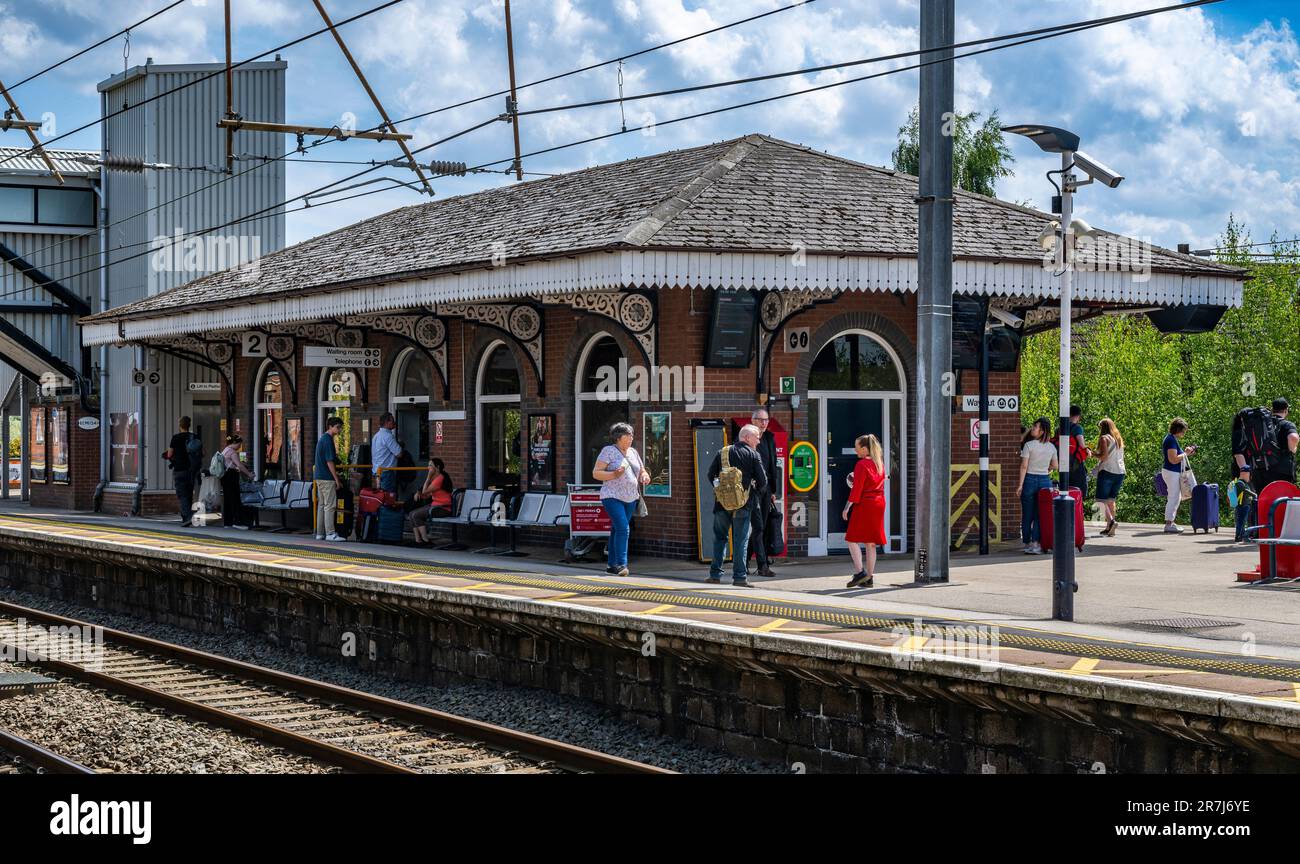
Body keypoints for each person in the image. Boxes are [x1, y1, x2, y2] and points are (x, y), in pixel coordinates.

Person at [705, 424, 767, 587]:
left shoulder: (723, 452)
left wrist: (721, 491)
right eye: (756, 437)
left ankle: (715, 575)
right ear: (746, 437)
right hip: (743, 504)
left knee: (720, 537)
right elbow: (763, 482)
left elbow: (710, 475)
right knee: (740, 540)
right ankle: (739, 578)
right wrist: (753, 490)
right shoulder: (753, 454)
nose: (759, 441)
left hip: (722, 504)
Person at [593, 423, 649, 577]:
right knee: (623, 528)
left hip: (631, 497)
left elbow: (642, 469)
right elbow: (596, 473)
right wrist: (614, 475)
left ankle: (611, 565)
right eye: (628, 435)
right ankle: (621, 564)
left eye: (632, 435)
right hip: (612, 496)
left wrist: (644, 475)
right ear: (618, 437)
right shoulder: (608, 451)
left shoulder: (633, 452)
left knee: (616, 529)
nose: (631, 438)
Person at [843, 434, 887, 588]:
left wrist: (847, 507)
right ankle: (869, 577)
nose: (856, 451)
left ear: (864, 448)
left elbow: (857, 490)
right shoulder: (879, 463)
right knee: (871, 543)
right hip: (879, 503)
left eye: (857, 448)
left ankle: (860, 572)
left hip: (866, 504)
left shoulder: (861, 465)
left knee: (851, 539)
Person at [1017, 418, 1058, 555]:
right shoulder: (1051, 447)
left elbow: (1024, 466)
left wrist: (1020, 485)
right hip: (1045, 482)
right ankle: (1036, 543)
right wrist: (1048, 469)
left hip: (1029, 479)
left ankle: (1027, 543)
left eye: (1035, 427)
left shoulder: (1029, 445)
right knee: (1040, 515)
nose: (1032, 429)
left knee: (1027, 514)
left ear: (1042, 431)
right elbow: (1056, 466)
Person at [746, 408, 778, 579]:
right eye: (760, 420)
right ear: (753, 421)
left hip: (766, 490)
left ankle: (744, 561)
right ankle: (762, 565)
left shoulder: (770, 438)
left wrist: (773, 490)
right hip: (752, 489)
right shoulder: (746, 438)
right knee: (758, 527)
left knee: (761, 527)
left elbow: (773, 466)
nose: (764, 423)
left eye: (766, 420)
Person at [1245, 398, 1299, 492]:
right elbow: (1293, 437)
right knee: (1281, 503)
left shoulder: (1262, 425)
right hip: (1281, 472)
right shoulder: (1286, 424)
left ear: (1272, 409)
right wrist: (1293, 448)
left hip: (1259, 470)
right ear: (1286, 410)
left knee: (1262, 502)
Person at [1161, 418, 1197, 533]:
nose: (1184, 433)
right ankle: (1169, 523)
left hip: (1172, 472)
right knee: (1174, 497)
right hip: (1171, 472)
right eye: (1183, 431)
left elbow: (1177, 457)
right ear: (1178, 429)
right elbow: (1173, 460)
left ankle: (1170, 521)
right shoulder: (1171, 440)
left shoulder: (1172, 439)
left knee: (1175, 497)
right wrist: (1185, 454)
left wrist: (1186, 453)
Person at [1092, 418, 1126, 537]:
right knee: (1111, 500)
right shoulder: (1118, 439)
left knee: (1100, 500)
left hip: (1107, 471)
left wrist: (1092, 453)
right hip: (1120, 472)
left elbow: (1104, 457)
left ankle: (1111, 522)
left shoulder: (1104, 438)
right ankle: (1109, 528)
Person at [163, 415, 200, 527]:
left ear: (180, 426)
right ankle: (186, 516)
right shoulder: (194, 437)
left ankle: (187, 517)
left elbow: (169, 454)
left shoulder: (176, 438)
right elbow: (203, 452)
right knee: (189, 493)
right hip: (192, 469)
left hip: (180, 469)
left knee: (182, 494)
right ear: (189, 425)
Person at [408, 458, 454, 545]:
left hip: (443, 508)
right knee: (411, 514)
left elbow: (425, 491)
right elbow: (427, 495)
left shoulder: (440, 478)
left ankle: (425, 540)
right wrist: (419, 494)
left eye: (430, 465)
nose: (428, 467)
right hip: (435, 505)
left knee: (416, 515)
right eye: (428, 465)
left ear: (437, 467)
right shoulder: (437, 478)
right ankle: (418, 541)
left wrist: (428, 477)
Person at [315, 417, 346, 542]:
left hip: (319, 477)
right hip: (327, 478)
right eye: (338, 427)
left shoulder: (322, 439)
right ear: (331, 426)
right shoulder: (328, 440)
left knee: (322, 505)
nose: (339, 430)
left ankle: (320, 533)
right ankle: (330, 533)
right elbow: (330, 462)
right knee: (330, 506)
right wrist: (337, 479)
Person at [220, 435, 254, 530]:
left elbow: (234, 463)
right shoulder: (232, 452)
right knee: (235, 499)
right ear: (235, 443)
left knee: (227, 500)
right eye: (239, 444)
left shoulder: (225, 450)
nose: (240, 446)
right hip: (231, 477)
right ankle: (237, 522)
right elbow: (239, 465)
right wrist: (249, 474)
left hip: (224, 477)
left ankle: (228, 522)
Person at [1060, 405, 1090, 499]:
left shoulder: (1059, 428)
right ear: (1078, 416)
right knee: (1078, 491)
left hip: (1062, 463)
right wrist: (1088, 451)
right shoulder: (1077, 428)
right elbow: (1082, 445)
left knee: (1066, 489)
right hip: (1075, 463)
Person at [371, 412, 402, 494]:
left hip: (377, 471)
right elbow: (399, 453)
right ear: (386, 422)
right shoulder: (387, 436)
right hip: (386, 472)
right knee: (387, 499)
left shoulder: (376, 436)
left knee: (380, 497)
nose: (394, 423)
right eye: (392, 421)